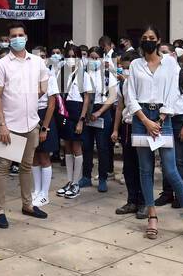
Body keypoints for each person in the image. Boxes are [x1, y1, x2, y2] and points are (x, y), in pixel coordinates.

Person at [128, 27, 183, 240]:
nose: (148, 41)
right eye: (144, 38)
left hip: (163, 118)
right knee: (145, 170)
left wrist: (159, 119)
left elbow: (174, 92)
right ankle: (152, 215)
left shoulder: (169, 62)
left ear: (158, 41)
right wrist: (146, 121)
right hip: (141, 119)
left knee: (171, 169)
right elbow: (130, 95)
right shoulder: (134, 64)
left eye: (152, 38)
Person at [0, 23, 50, 227]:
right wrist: (2, 124)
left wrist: (30, 98)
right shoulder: (2, 64)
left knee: (26, 166)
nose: (17, 38)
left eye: (20, 35)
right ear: (8, 39)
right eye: (13, 36)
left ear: (26, 37)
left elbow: (43, 85)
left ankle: (28, 205)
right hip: (9, 125)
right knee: (3, 167)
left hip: (31, 123)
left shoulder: (37, 62)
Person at [155, 41, 183, 209]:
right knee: (165, 160)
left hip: (179, 120)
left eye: (164, 52)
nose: (162, 56)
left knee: (179, 160)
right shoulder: (158, 75)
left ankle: (180, 195)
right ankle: (167, 193)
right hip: (162, 121)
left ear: (173, 55)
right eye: (160, 52)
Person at [55, 43, 91, 198]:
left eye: (73, 56)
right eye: (68, 56)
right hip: (65, 112)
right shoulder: (63, 73)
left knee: (76, 147)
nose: (70, 59)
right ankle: (69, 181)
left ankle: (76, 183)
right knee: (67, 147)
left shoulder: (84, 75)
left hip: (77, 112)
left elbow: (87, 99)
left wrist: (81, 120)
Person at [112, 49, 143, 217]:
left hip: (141, 126)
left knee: (143, 166)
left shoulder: (143, 82)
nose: (125, 72)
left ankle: (144, 202)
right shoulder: (122, 84)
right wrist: (116, 129)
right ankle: (132, 200)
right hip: (127, 126)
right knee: (128, 167)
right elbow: (120, 107)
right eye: (123, 68)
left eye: (128, 68)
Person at [80, 45, 116, 192]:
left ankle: (102, 178)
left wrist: (99, 112)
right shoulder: (84, 74)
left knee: (102, 148)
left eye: (96, 58)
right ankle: (86, 177)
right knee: (86, 146)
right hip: (88, 112)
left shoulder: (108, 74)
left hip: (103, 111)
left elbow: (112, 96)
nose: (94, 60)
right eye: (91, 57)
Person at [31, 50, 62, 204]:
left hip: (44, 116)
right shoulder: (29, 75)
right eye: (37, 56)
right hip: (31, 115)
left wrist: (45, 127)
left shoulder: (49, 76)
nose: (40, 59)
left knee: (44, 155)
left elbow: (52, 104)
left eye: (43, 57)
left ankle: (44, 193)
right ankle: (36, 190)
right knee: (34, 156)